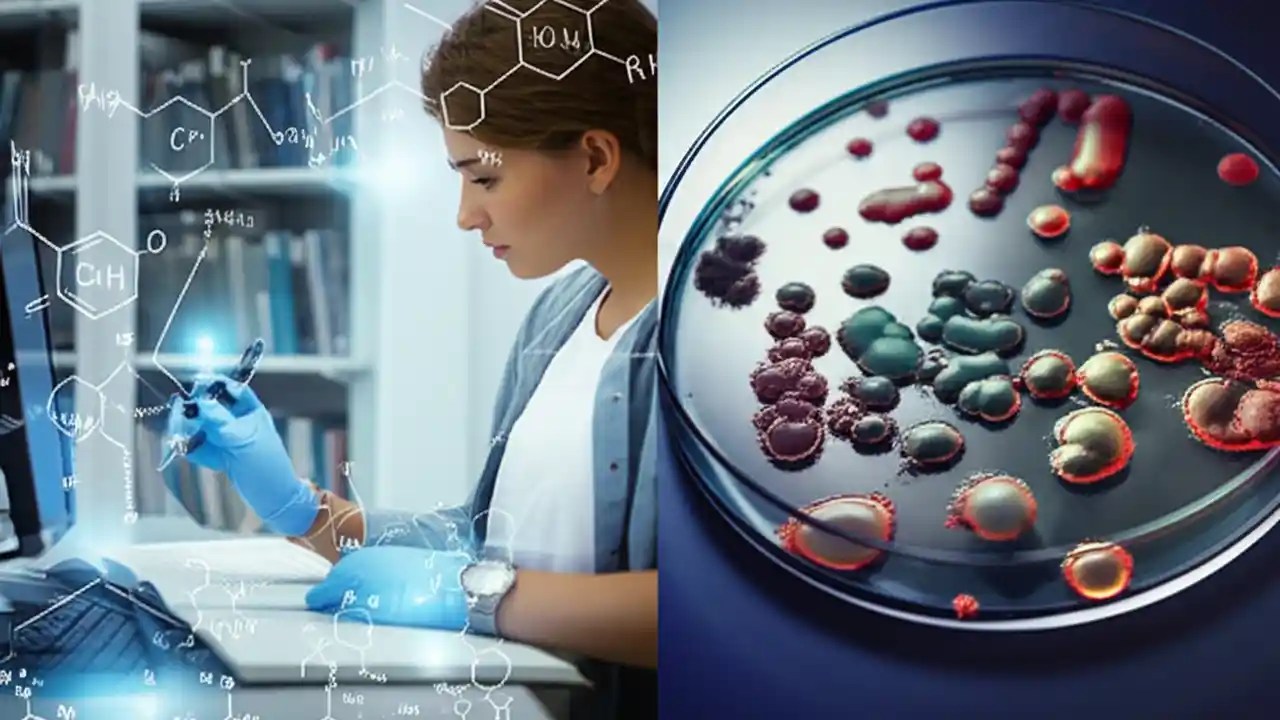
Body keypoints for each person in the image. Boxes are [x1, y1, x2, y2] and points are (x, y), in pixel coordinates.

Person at [163, 0, 658, 717]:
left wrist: (472, 596)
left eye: (483, 178)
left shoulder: (707, 342)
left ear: (594, 157)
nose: (466, 214)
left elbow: (717, 612)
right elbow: (479, 540)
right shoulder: (562, 314)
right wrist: (300, 508)